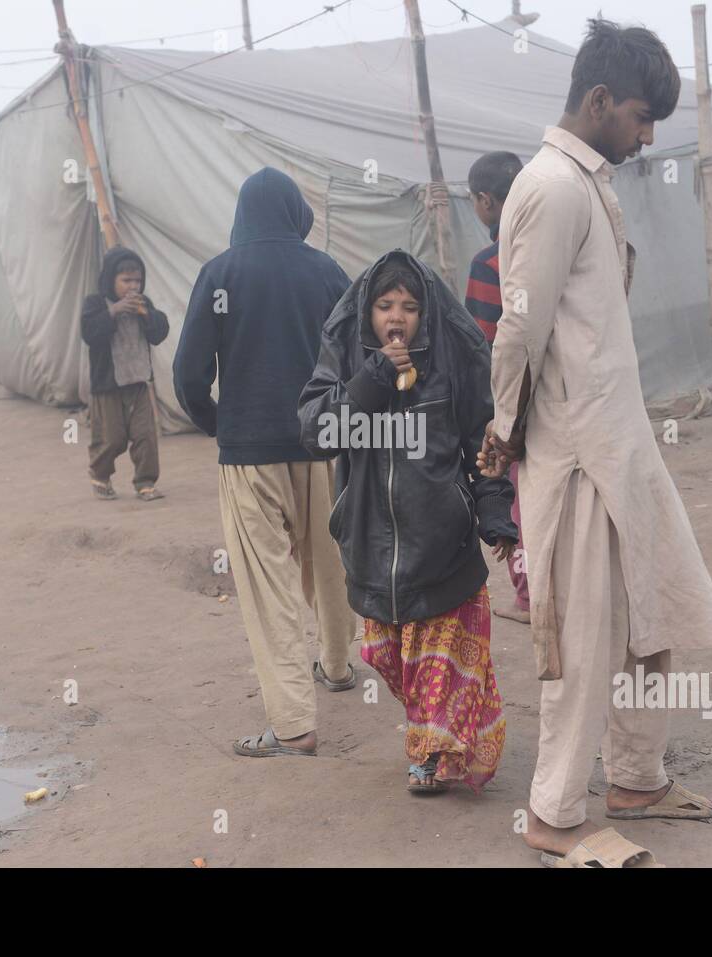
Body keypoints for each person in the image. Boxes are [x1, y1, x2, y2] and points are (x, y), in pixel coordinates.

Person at [479, 18, 712, 868]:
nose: (646, 133)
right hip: (579, 452)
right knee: (585, 638)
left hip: (622, 445)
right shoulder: (550, 186)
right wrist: (502, 426)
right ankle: (552, 812)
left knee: (649, 616)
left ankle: (636, 777)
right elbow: (520, 327)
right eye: (639, 115)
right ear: (596, 101)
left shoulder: (587, 182)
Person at [299, 251, 518, 793]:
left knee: (437, 663)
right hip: (371, 552)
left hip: (443, 548)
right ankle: (435, 735)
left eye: (410, 306)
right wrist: (371, 379)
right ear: (368, 313)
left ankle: (431, 754)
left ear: (426, 315)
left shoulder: (448, 367)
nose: (396, 317)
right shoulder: (350, 363)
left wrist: (493, 509)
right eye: (385, 305)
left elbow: (481, 442)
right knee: (388, 656)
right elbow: (318, 431)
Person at [173, 167, 356, 758]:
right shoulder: (326, 271)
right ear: (294, 213)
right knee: (329, 562)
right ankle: (337, 666)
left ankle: (295, 723)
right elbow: (360, 358)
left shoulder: (220, 273)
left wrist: (222, 426)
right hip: (320, 448)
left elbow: (188, 375)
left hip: (250, 453)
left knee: (268, 584)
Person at [466, 151, 530, 624]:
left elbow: (483, 346)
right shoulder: (549, 246)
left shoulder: (491, 262)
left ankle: (529, 596)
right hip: (568, 396)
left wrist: (490, 418)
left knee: (516, 498)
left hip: (513, 403)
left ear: (486, 201)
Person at [80, 245, 169, 501]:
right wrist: (115, 310)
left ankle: (145, 481)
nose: (133, 286)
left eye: (138, 280)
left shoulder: (144, 304)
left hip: (138, 382)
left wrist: (146, 314)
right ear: (110, 280)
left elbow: (160, 332)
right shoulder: (95, 303)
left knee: (146, 436)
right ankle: (100, 474)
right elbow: (89, 333)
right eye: (126, 280)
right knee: (112, 438)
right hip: (108, 386)